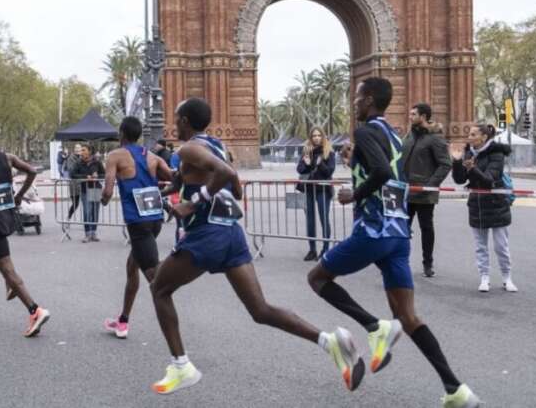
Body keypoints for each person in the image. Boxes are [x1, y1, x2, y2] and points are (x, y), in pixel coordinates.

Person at [149, 98, 361, 395]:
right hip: (231, 233)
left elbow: (222, 175)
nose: (173, 124)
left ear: (185, 120)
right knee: (260, 310)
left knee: (159, 289)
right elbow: (233, 185)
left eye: (175, 118)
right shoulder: (215, 144)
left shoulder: (188, 148)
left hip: (208, 233)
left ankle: (181, 365)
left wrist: (191, 203)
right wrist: (176, 186)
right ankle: (330, 342)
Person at [307, 78, 480, 407]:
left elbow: (383, 172)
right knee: (408, 316)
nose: (354, 102)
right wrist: (353, 161)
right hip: (398, 231)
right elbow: (384, 168)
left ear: (369, 99)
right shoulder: (392, 133)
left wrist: (352, 194)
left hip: (374, 229)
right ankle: (456, 389)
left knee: (316, 278)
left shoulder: (367, 131)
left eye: (357, 97)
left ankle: (374, 327)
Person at [0, 125, 51, 337]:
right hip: (7, 215)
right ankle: (8, 282)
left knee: (8, 268)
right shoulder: (9, 157)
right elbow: (32, 171)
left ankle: (35, 310)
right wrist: (19, 194)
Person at [100, 116, 173, 339]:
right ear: (140, 134)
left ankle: (176, 335)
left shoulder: (114, 156)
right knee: (132, 267)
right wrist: (161, 195)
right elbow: (174, 179)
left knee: (156, 282)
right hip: (155, 220)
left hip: (137, 222)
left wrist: (103, 200)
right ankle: (122, 320)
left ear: (121, 133)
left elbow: (108, 190)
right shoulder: (151, 156)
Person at [450, 124, 516, 293]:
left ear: (483, 137)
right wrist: (457, 162)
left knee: (501, 246)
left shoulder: (496, 153)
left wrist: (473, 168)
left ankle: (507, 278)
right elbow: (460, 180)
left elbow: (489, 180)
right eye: (469, 134)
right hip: (477, 205)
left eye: (473, 134)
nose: (469, 137)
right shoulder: (469, 152)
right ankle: (484, 278)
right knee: (480, 246)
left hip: (496, 204)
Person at [401, 103, 452, 278]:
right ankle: (401, 261)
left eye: (413, 114)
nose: (410, 116)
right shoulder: (408, 136)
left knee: (426, 228)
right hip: (406, 191)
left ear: (423, 116)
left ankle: (427, 263)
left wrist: (430, 185)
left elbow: (446, 164)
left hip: (424, 192)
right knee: (402, 228)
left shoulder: (435, 138)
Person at [297, 127, 336, 261]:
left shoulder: (328, 152)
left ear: (323, 136)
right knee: (310, 220)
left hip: (323, 190)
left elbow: (330, 172)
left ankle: (325, 250)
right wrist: (307, 164)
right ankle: (312, 250)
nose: (317, 138)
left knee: (324, 219)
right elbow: (300, 169)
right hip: (308, 189)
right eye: (314, 136)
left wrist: (320, 165)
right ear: (310, 137)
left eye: (319, 135)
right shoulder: (307, 151)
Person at [71, 144, 105, 242]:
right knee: (87, 212)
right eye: (81, 150)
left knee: (95, 212)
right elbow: (72, 174)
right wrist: (86, 177)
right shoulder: (78, 163)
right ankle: (87, 234)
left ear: (89, 151)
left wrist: (97, 175)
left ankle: (94, 233)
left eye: (83, 150)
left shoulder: (97, 162)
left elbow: (104, 174)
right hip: (85, 190)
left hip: (95, 189)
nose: (81, 152)